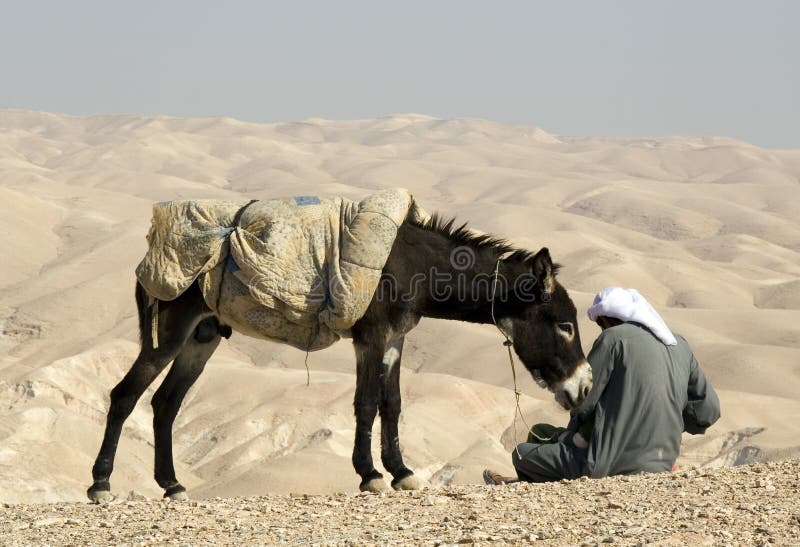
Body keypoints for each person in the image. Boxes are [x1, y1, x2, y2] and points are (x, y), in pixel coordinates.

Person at [484, 286, 721, 485]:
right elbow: (708, 411)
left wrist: (574, 430)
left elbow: (583, 401)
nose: (602, 329)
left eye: (600, 323)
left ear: (608, 319)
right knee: (543, 435)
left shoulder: (613, 339)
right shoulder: (679, 344)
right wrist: (670, 422)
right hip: (663, 462)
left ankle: (524, 485)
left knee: (522, 454)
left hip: (608, 463)